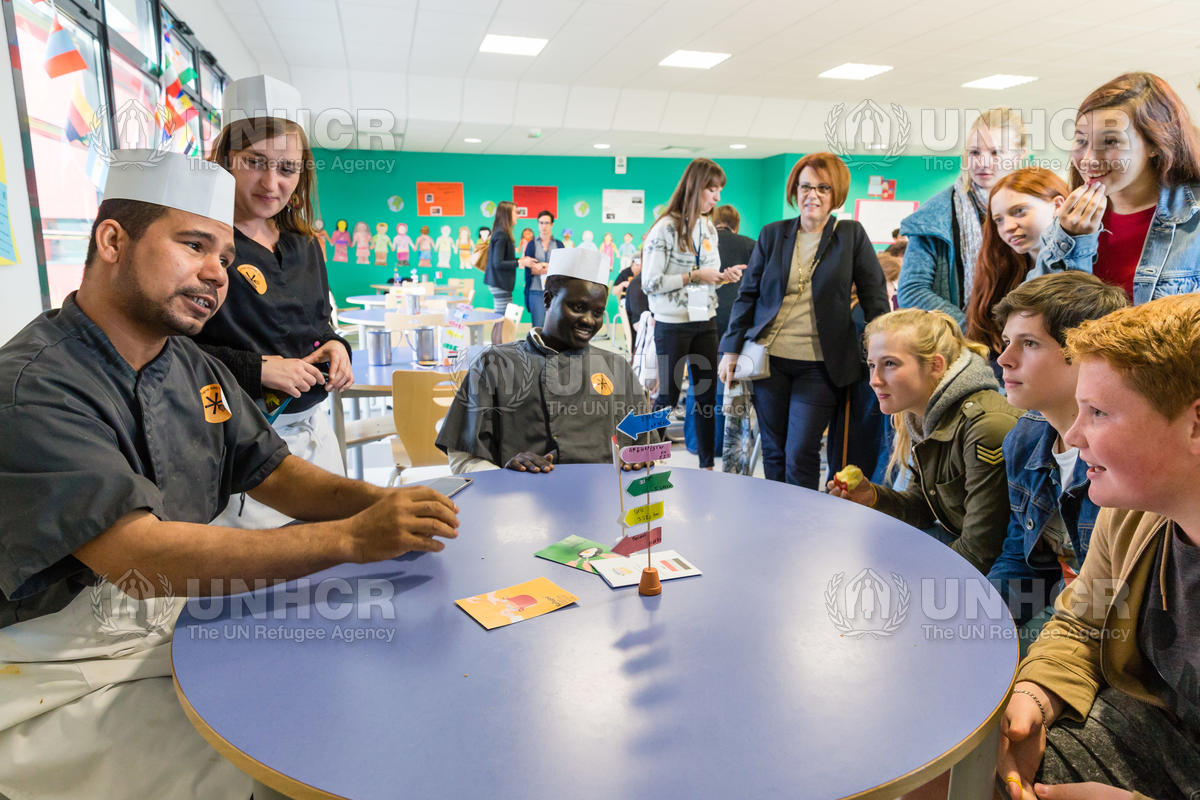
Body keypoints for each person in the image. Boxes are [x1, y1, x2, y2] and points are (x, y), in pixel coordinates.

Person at [0, 151, 460, 800]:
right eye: (194, 245)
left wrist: (387, 503)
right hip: (61, 664)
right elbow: (144, 559)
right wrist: (352, 539)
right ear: (112, 240)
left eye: (223, 255)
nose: (216, 274)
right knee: (269, 770)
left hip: (180, 617)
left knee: (343, 692)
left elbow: (277, 473)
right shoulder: (34, 385)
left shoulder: (191, 366)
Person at [997, 294, 1200, 800]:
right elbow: (1082, 621)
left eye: (1100, 413)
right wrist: (1035, 696)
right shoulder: (1132, 509)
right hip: (1152, 729)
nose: (1073, 433)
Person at [194, 75, 353, 529]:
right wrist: (260, 368)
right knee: (260, 586)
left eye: (286, 168)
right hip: (240, 443)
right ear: (227, 159)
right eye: (255, 162)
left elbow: (320, 326)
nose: (271, 182)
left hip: (315, 438)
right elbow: (172, 353)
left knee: (328, 564)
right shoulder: (202, 245)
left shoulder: (305, 246)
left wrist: (337, 347)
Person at [717, 153, 889, 489]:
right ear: (794, 190)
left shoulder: (850, 235)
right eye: (806, 186)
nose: (813, 194)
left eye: (823, 187)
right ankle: (775, 519)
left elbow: (874, 296)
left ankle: (802, 524)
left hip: (821, 366)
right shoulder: (772, 234)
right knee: (774, 450)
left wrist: (882, 351)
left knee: (800, 451)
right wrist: (730, 349)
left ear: (835, 193)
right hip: (769, 361)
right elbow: (747, 295)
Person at [828, 309, 1020, 574]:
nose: (874, 380)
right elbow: (923, 509)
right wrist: (872, 496)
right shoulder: (924, 417)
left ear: (935, 366)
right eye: (872, 365)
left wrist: (901, 575)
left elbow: (981, 550)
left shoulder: (985, 426)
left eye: (890, 364)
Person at [986, 273, 1128, 629]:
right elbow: (1021, 560)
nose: (1004, 359)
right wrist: (982, 622)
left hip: (1109, 626)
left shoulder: (1123, 456)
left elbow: (1118, 601)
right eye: (1006, 342)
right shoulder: (1024, 438)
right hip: (1066, 606)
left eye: (1029, 343)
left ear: (1085, 353)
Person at [437, 248, 653, 474]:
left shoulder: (617, 368)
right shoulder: (495, 364)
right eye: (578, 307)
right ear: (548, 299)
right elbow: (462, 459)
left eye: (597, 312)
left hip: (604, 503)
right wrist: (503, 473)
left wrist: (641, 460)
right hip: (519, 503)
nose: (589, 320)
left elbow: (647, 446)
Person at [1041, 71, 1200, 304]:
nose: (1088, 159)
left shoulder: (1194, 219)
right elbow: (1037, 314)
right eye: (1081, 140)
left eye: (1111, 141)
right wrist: (1071, 240)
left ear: (1155, 144)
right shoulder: (1068, 223)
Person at [642, 158, 742, 470]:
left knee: (706, 397)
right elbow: (651, 282)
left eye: (720, 190)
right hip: (672, 324)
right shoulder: (665, 228)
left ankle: (706, 466)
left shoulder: (707, 226)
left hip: (704, 319)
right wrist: (696, 275)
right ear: (695, 187)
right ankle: (644, 459)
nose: (717, 197)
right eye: (712, 189)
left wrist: (724, 276)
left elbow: (705, 273)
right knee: (668, 398)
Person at [898, 107, 1030, 325]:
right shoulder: (936, 215)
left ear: (1018, 156)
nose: (982, 162)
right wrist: (971, 332)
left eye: (996, 153)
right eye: (974, 152)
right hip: (960, 344)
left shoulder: (1036, 210)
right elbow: (912, 291)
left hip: (1021, 339)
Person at [519, 209, 562, 329]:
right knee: (538, 327)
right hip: (536, 290)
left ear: (552, 224)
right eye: (541, 223)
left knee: (553, 327)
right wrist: (549, 267)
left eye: (547, 223)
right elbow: (531, 269)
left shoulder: (559, 244)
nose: (544, 226)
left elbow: (562, 268)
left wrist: (542, 266)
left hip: (555, 292)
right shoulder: (531, 244)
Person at [483, 200, 519, 311]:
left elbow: (503, 259)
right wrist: (519, 262)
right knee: (502, 318)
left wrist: (520, 260)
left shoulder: (501, 232)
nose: (517, 216)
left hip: (499, 281)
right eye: (515, 212)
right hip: (500, 282)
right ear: (507, 214)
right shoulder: (501, 233)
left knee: (502, 317)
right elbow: (498, 263)